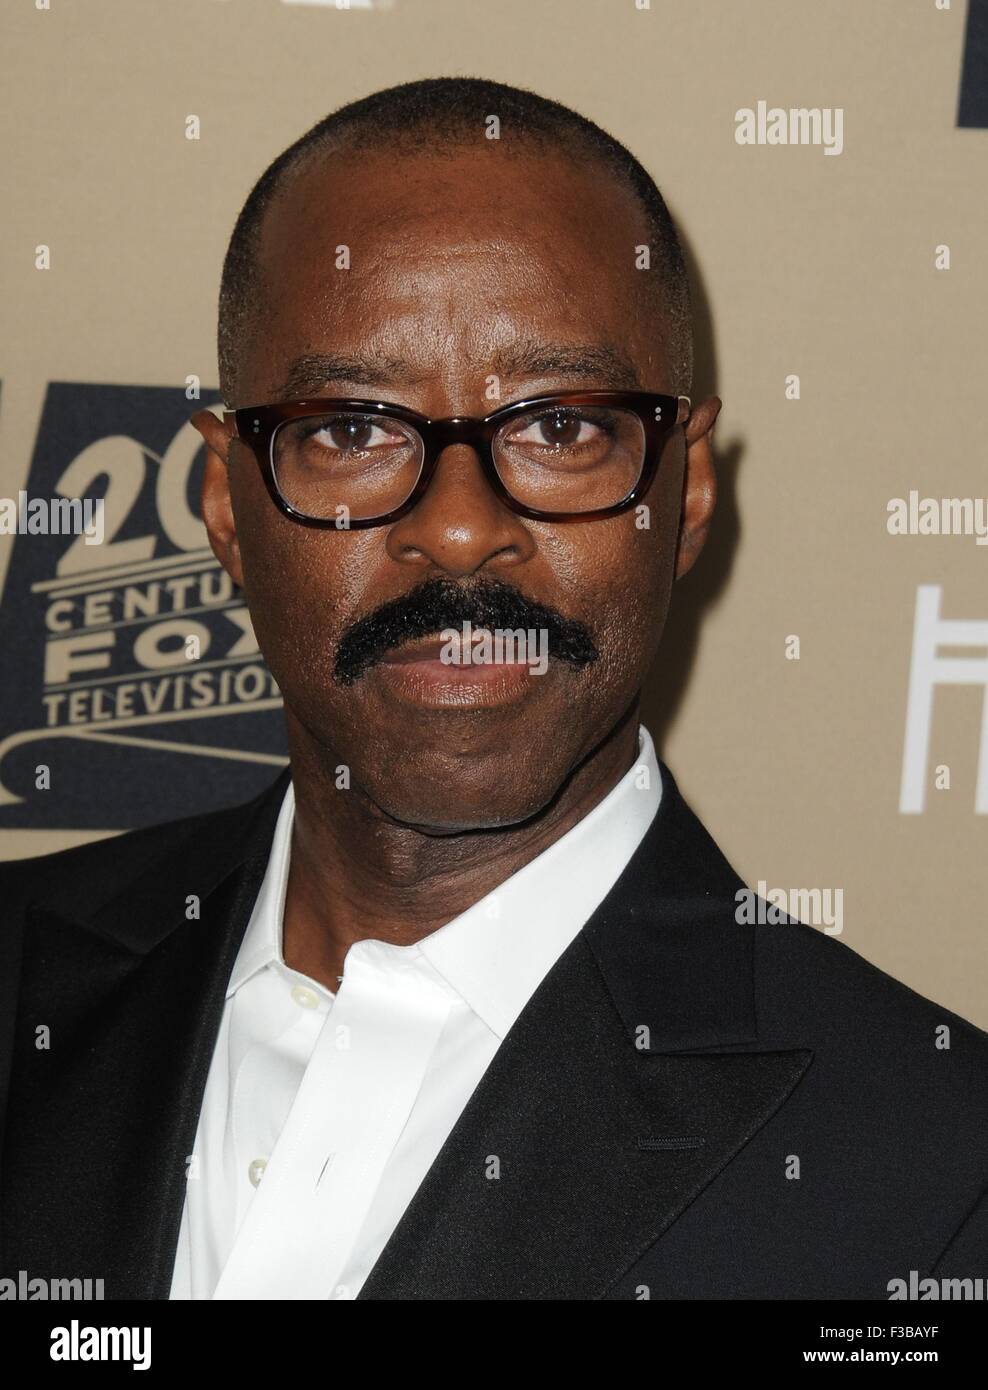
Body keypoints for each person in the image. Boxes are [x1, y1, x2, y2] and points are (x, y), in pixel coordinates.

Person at [2, 77, 986, 1301]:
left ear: (681, 492)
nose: (458, 531)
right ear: (225, 507)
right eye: (354, 429)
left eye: (559, 428)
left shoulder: (936, 1173)